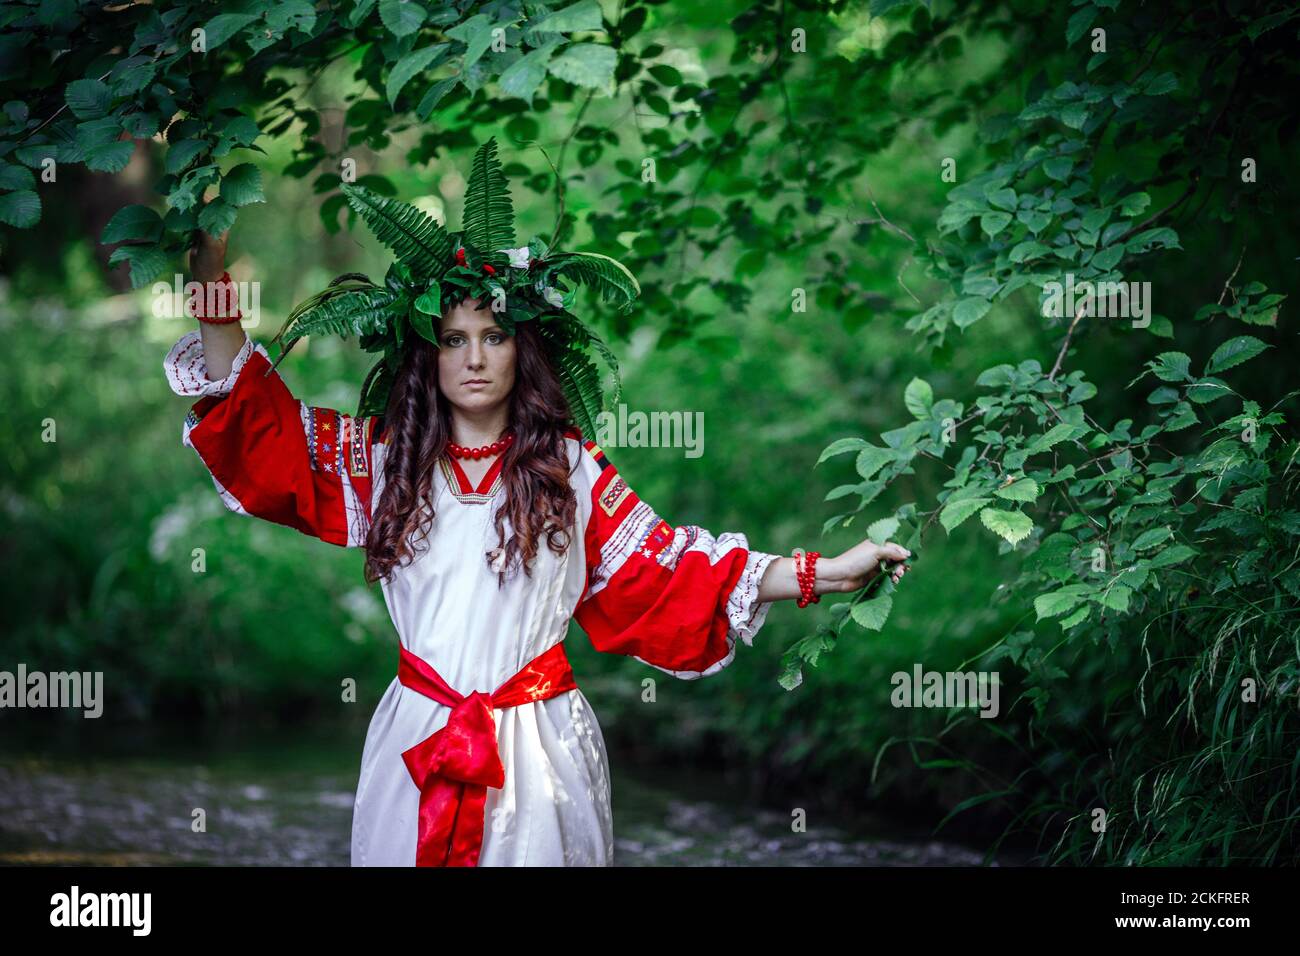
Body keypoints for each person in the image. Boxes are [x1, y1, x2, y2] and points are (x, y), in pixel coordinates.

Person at [165, 207, 910, 867]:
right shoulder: (385, 463)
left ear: (523, 349)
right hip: (418, 738)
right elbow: (265, 431)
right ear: (427, 352)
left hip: (540, 746)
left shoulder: (570, 472)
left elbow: (673, 569)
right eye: (454, 339)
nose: (476, 357)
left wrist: (823, 573)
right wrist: (210, 279)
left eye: (494, 336)